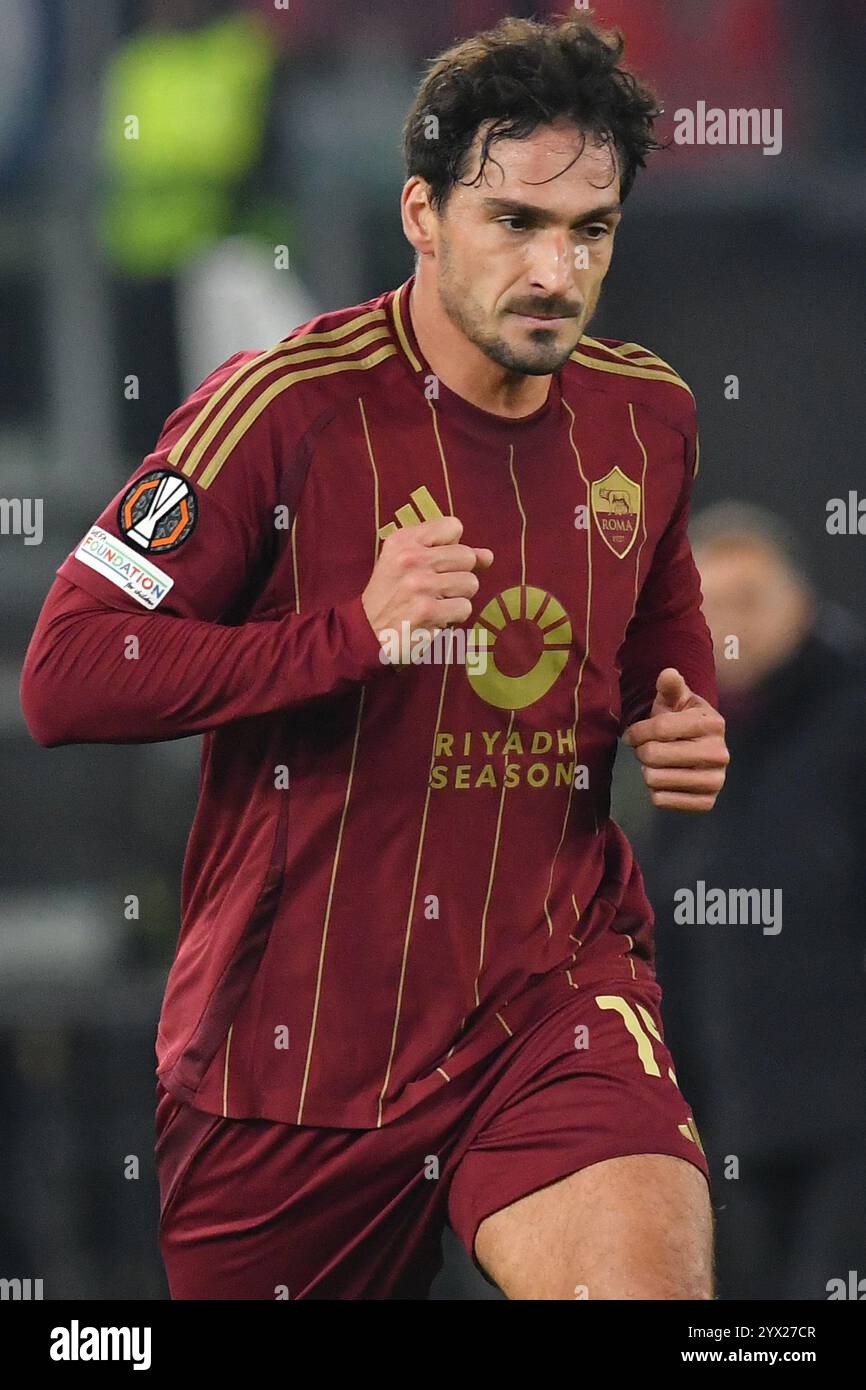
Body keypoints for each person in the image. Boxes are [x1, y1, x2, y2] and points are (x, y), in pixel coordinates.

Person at [20, 15, 728, 1300]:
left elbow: (659, 623)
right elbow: (67, 673)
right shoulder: (275, 408)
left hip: (548, 998)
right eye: (514, 222)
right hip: (289, 1056)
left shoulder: (647, 413)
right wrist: (346, 635)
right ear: (420, 211)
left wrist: (677, 710)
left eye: (591, 230)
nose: (557, 272)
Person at [644, 502, 866, 1299]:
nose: (731, 627)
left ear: (800, 602)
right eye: (712, 608)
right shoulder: (683, 745)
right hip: (728, 1121)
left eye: (750, 601)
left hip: (846, 1124)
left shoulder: (850, 718)